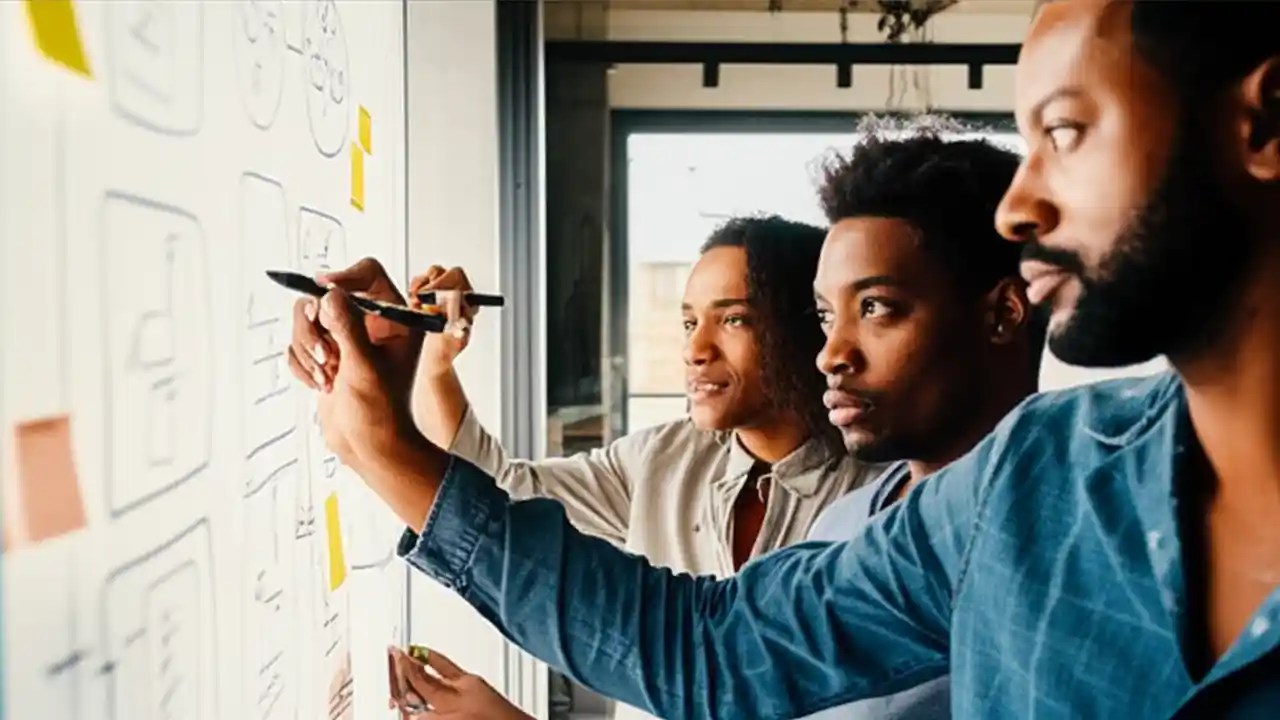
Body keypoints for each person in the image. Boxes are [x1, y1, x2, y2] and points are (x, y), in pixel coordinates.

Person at [301, 0, 1280, 717]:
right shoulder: (1022, 484)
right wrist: (385, 445)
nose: (1020, 210)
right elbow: (706, 649)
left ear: (1264, 122)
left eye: (1064, 133)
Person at [289, 216, 883, 719]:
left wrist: (374, 439)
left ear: (809, 330)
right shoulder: (663, 459)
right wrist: (437, 367)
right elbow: (506, 499)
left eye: (733, 319)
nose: (694, 348)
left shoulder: (880, 503)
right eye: (687, 321)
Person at [799, 126, 1044, 720]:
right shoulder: (837, 532)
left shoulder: (1069, 538)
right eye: (827, 315)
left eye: (875, 307)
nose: (832, 354)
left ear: (1002, 314)